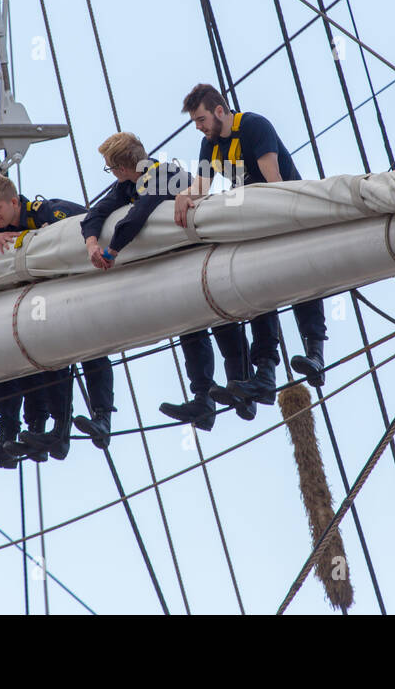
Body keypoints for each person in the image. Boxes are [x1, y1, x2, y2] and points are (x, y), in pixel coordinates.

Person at [79, 132, 250, 435]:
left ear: (120, 167)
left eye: (110, 168)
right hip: (180, 264)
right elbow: (97, 213)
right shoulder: (129, 184)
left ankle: (243, 389)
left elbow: (138, 216)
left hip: (204, 254)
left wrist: (111, 251)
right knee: (190, 326)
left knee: (222, 321)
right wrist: (92, 242)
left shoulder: (163, 175)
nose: (112, 175)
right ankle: (203, 399)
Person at [173, 83, 328, 418]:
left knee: (304, 277)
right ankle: (264, 375)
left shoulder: (254, 126)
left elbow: (275, 185)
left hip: (287, 215)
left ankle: (315, 354)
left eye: (201, 119)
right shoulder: (210, 145)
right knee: (259, 291)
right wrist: (185, 195)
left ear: (218, 111)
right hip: (255, 224)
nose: (199, 127)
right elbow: (201, 187)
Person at [0, 174, 113, 466]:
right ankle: (49, 432)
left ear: (14, 202)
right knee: (44, 357)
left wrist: (50, 233)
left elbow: (89, 220)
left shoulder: (48, 211)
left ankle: (101, 419)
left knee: (92, 352)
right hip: (43, 305)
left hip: (84, 290)